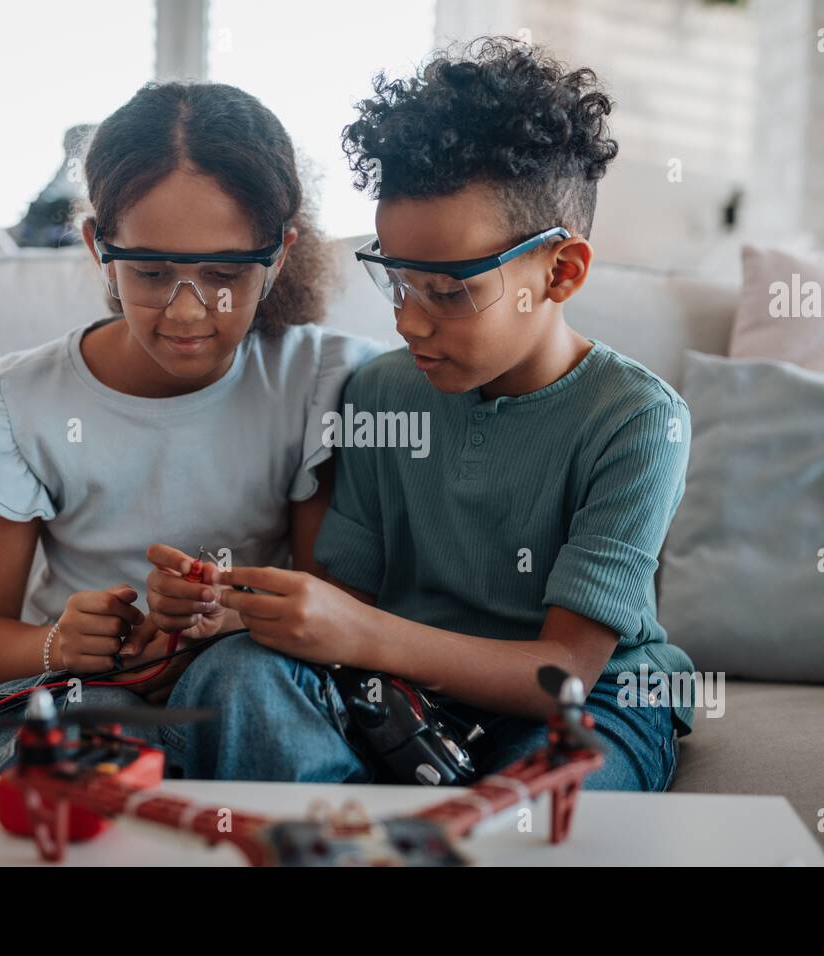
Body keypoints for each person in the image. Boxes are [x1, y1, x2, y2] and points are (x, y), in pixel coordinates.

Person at [150, 38, 695, 792]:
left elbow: (563, 671)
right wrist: (235, 606)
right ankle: (354, 827)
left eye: (447, 292)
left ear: (560, 272)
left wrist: (363, 635)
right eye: (397, 283)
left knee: (542, 797)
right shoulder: (378, 393)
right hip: (395, 687)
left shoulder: (636, 420)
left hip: (582, 702)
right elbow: (350, 605)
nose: (409, 323)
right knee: (236, 676)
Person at [0, 81, 385, 835]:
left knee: (249, 674)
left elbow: (327, 602)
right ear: (99, 248)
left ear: (278, 256)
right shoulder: (21, 405)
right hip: (94, 694)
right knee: (62, 737)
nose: (188, 311)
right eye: (151, 274)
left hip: (248, 682)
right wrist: (62, 644)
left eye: (224, 275)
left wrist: (235, 611)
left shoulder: (313, 386)